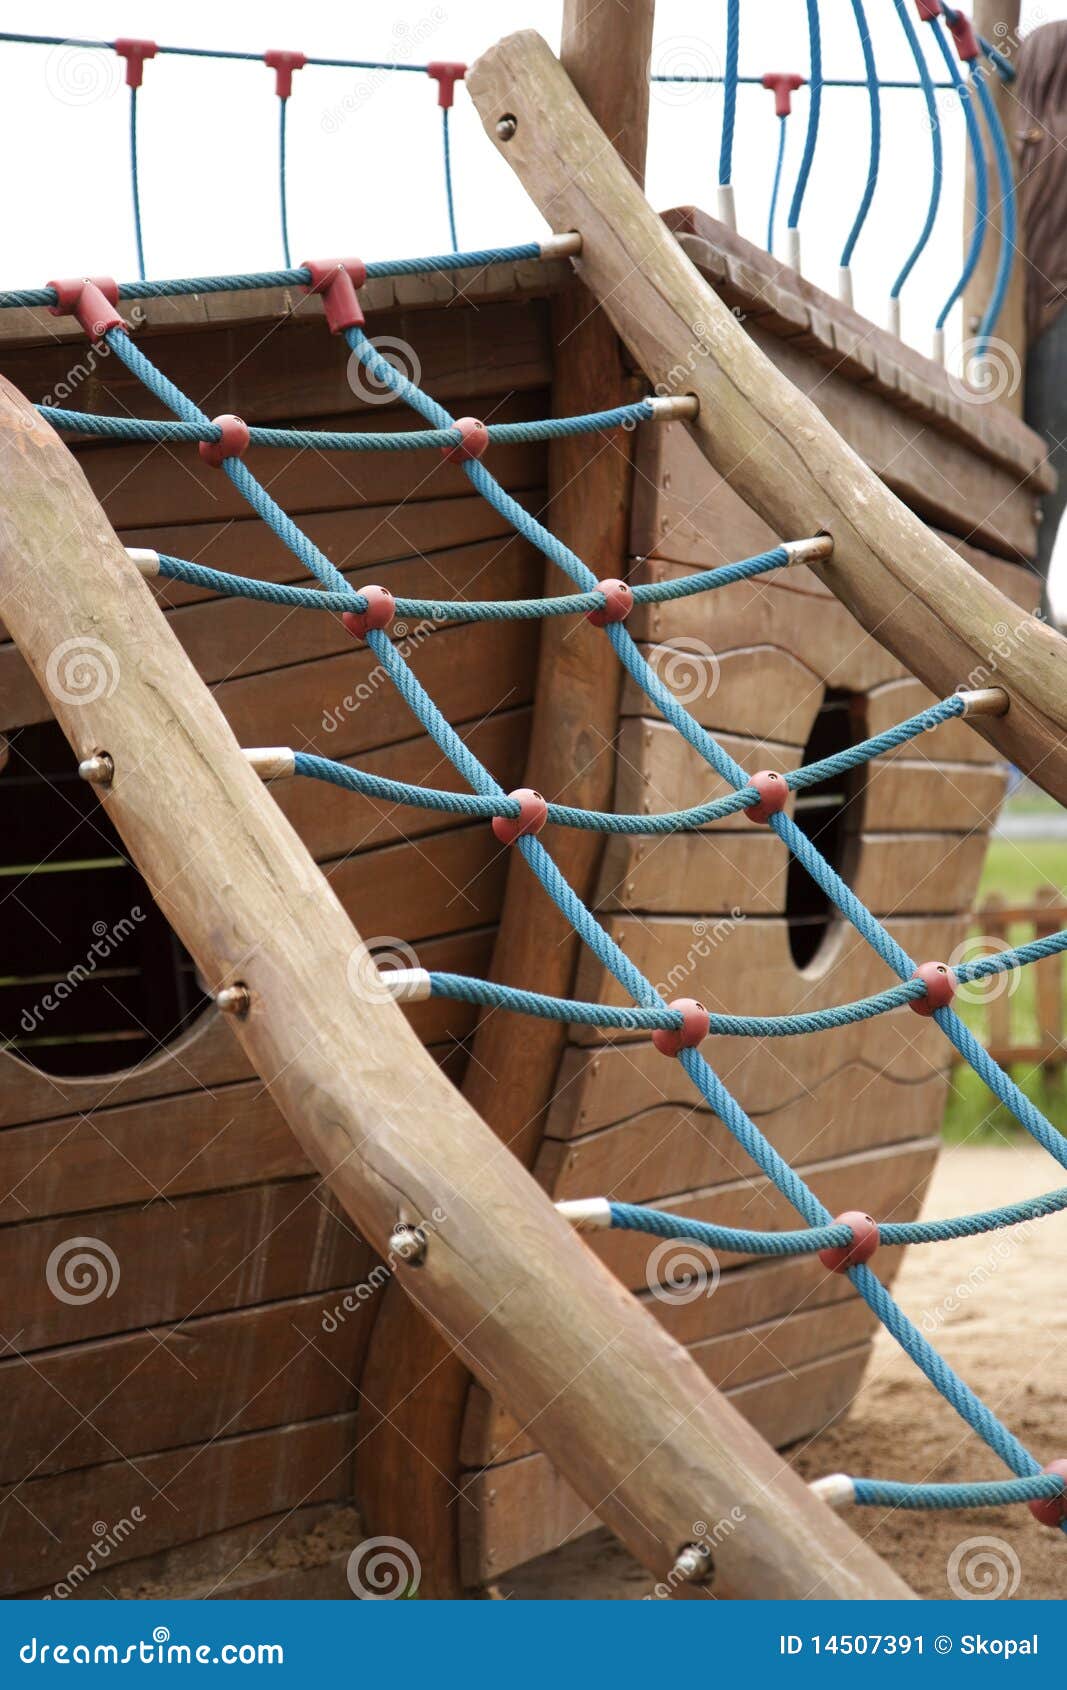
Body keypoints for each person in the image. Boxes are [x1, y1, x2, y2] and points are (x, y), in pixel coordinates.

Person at [1014, 21, 1067, 613]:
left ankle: (1033, 592)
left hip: (1041, 315)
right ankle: (1032, 595)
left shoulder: (1024, 136)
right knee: (1048, 468)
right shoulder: (1032, 137)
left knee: (1047, 469)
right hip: (1051, 316)